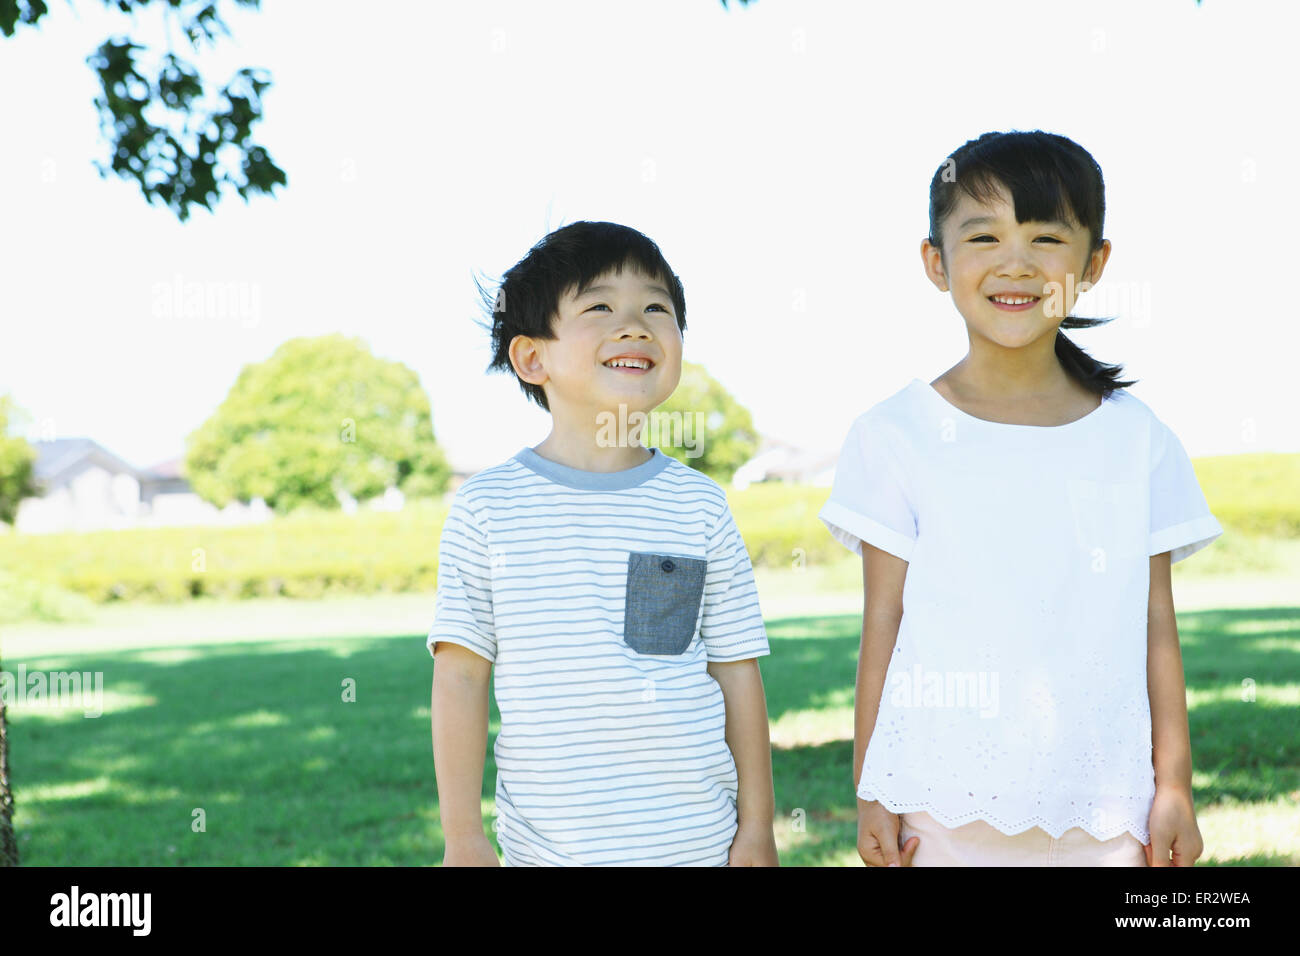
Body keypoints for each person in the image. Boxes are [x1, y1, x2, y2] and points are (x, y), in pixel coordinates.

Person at [819, 130, 1223, 867]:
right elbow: (885, 620)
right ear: (935, 263)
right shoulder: (893, 434)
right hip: (940, 805)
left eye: (1046, 237)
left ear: (1094, 264)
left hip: (1109, 815)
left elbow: (1156, 623)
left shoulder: (1138, 439)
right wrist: (871, 785)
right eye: (984, 236)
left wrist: (1175, 786)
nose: (1016, 263)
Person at [428, 220, 778, 866]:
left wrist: (757, 828)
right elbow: (458, 677)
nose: (635, 325)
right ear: (533, 357)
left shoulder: (699, 506)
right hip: (552, 852)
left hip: (696, 844)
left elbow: (737, 673)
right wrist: (463, 839)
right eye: (600, 307)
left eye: (656, 308)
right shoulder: (488, 509)